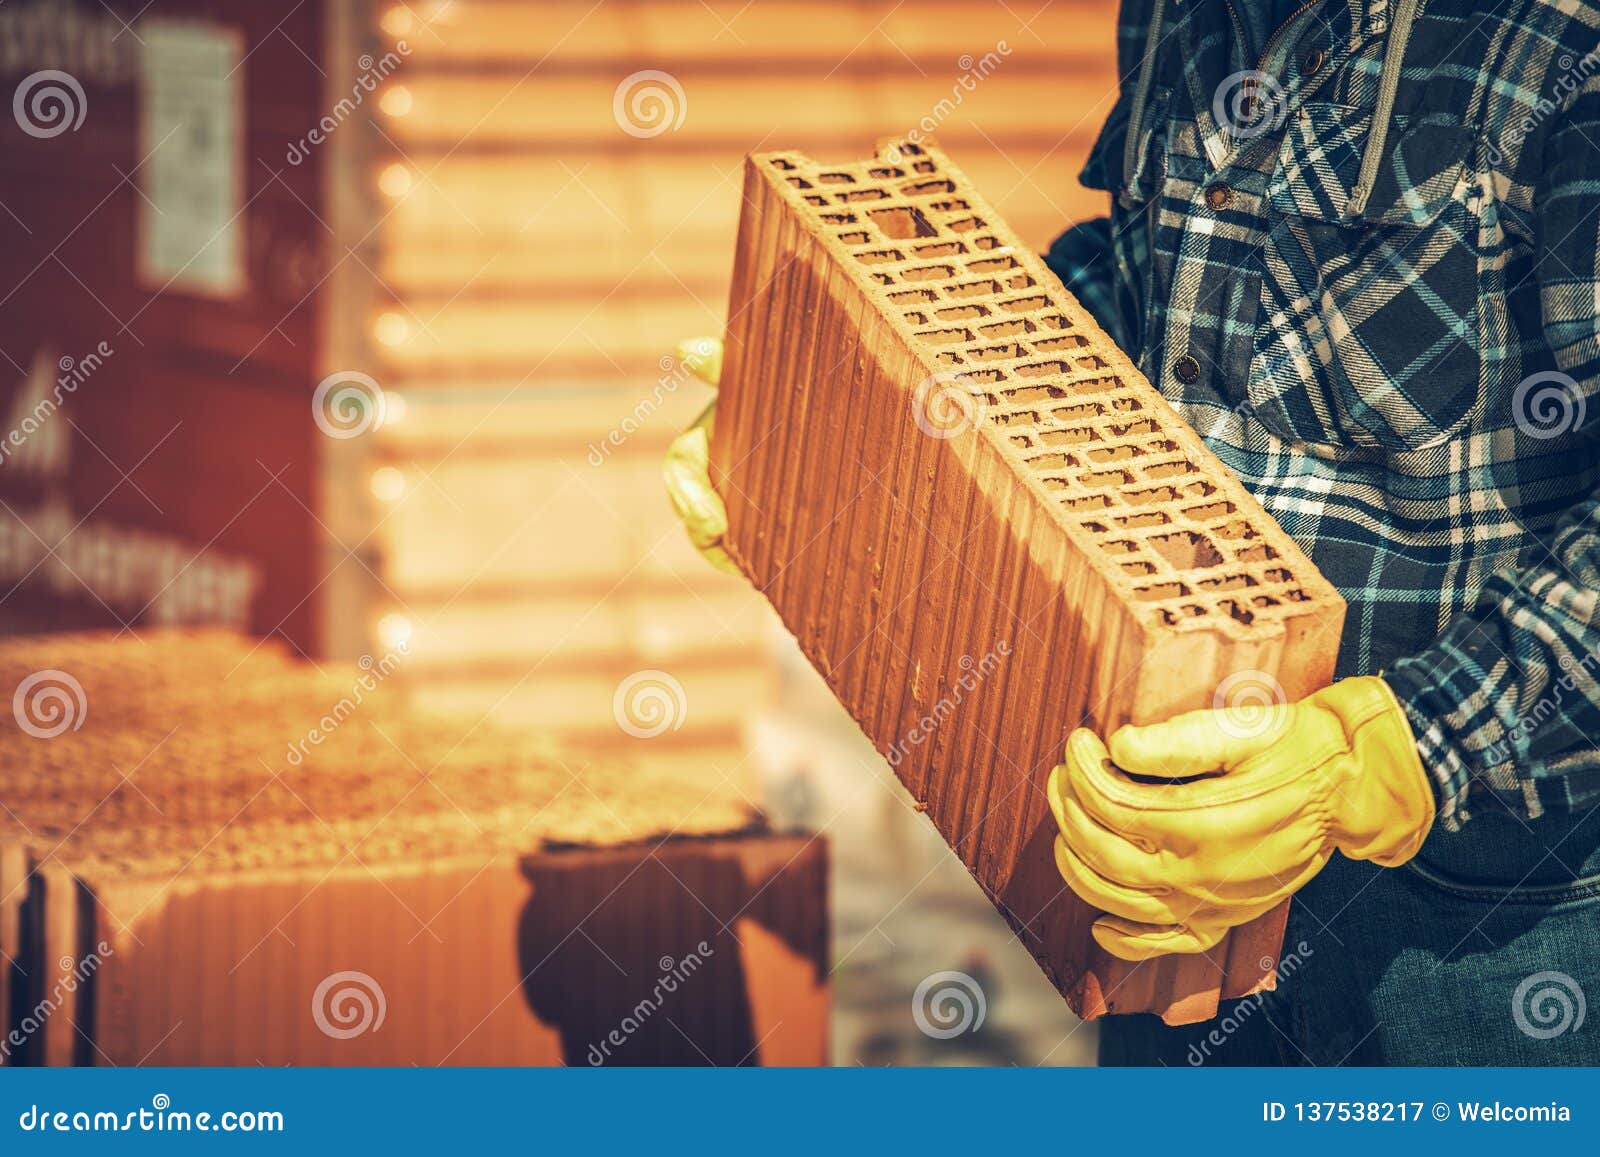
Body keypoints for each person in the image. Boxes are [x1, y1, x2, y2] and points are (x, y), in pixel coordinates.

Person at [665, 0, 1600, 1065]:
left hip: (1491, 924)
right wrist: (873, 417)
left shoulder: (1563, 43)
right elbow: (1147, 306)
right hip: (1176, 884)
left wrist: (1389, 753)